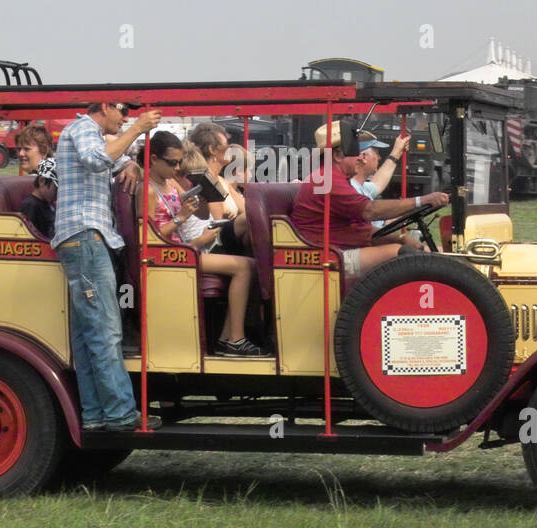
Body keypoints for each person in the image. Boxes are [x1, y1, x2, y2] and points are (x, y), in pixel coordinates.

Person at [54, 102, 163, 431]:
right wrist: (137, 131)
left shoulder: (85, 132)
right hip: (86, 237)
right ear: (104, 106)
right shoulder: (85, 129)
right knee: (104, 330)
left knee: (89, 335)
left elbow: (105, 159)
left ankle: (96, 415)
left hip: (80, 238)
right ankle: (118, 413)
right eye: (122, 113)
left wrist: (129, 161)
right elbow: (96, 158)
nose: (125, 119)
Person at [143, 131, 266, 357]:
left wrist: (202, 198)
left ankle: (230, 338)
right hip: (168, 253)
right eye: (172, 163)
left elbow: (196, 212)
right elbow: (149, 237)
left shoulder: (169, 182)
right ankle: (234, 339)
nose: (177, 167)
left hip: (184, 247)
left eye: (179, 162)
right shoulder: (149, 190)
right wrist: (182, 220)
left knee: (249, 262)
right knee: (244, 266)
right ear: (153, 159)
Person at [291, 120, 449, 279]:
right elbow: (370, 210)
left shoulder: (336, 179)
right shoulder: (327, 180)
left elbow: (363, 229)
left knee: (415, 251)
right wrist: (420, 201)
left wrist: (401, 238)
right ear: (338, 155)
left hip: (340, 250)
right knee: (403, 255)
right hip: (327, 256)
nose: (359, 158)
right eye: (354, 151)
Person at [350, 130, 425, 248]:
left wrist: (397, 152)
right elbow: (368, 231)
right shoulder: (352, 189)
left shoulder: (360, 186)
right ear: (364, 156)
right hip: (369, 247)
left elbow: (378, 183)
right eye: (376, 153)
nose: (379, 157)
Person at [186, 122, 251, 254]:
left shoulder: (221, 181)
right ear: (213, 150)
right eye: (226, 146)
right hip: (209, 244)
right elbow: (216, 222)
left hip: (222, 239)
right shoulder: (200, 179)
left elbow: (247, 210)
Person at [19, 157, 57, 239]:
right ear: (42, 181)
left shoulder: (49, 203)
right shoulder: (30, 206)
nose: (58, 193)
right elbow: (29, 237)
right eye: (56, 188)